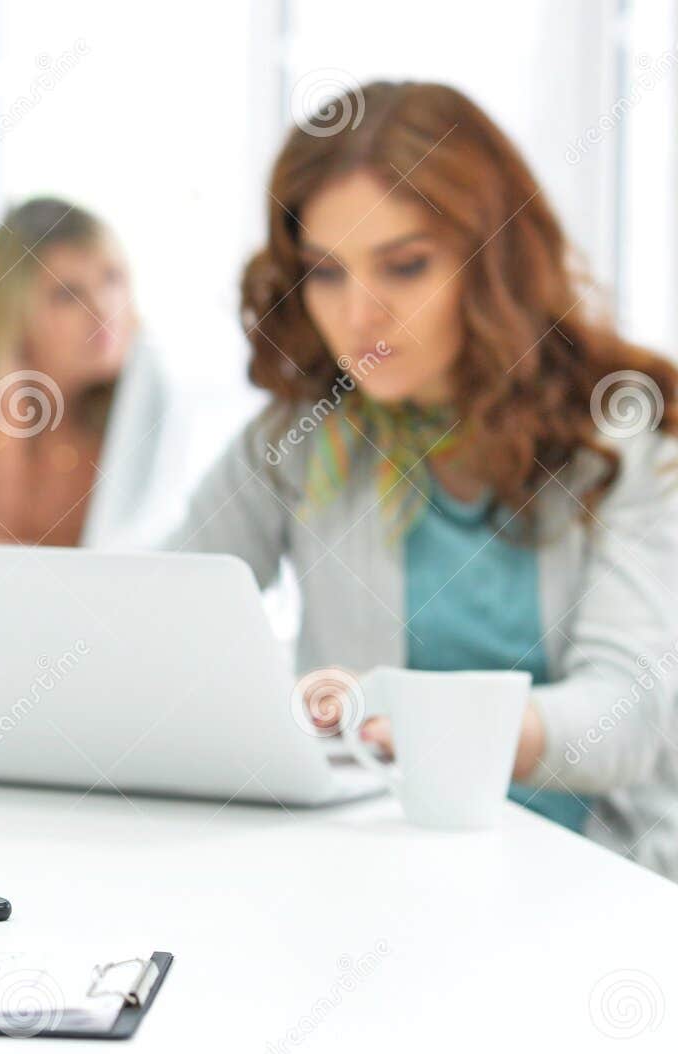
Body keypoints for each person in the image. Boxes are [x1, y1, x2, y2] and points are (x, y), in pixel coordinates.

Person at [167, 80, 678, 880]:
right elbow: (164, 618)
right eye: (326, 272)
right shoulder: (303, 440)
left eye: (403, 266)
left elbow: (632, 712)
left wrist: (448, 727)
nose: (359, 315)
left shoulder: (623, 436)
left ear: (495, 260)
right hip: (380, 880)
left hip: (598, 877)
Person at [0, 197, 175, 547]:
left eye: (112, 278)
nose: (103, 309)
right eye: (67, 294)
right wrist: (5, 383)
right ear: (12, 313)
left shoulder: (146, 408)